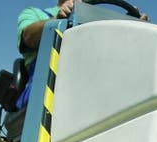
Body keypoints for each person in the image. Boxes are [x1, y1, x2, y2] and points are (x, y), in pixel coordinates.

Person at [15, 1, 148, 108]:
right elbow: (29, 36)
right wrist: (58, 20)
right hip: (46, 90)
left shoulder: (100, 18)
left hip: (96, 87)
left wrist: (134, 25)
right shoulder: (34, 13)